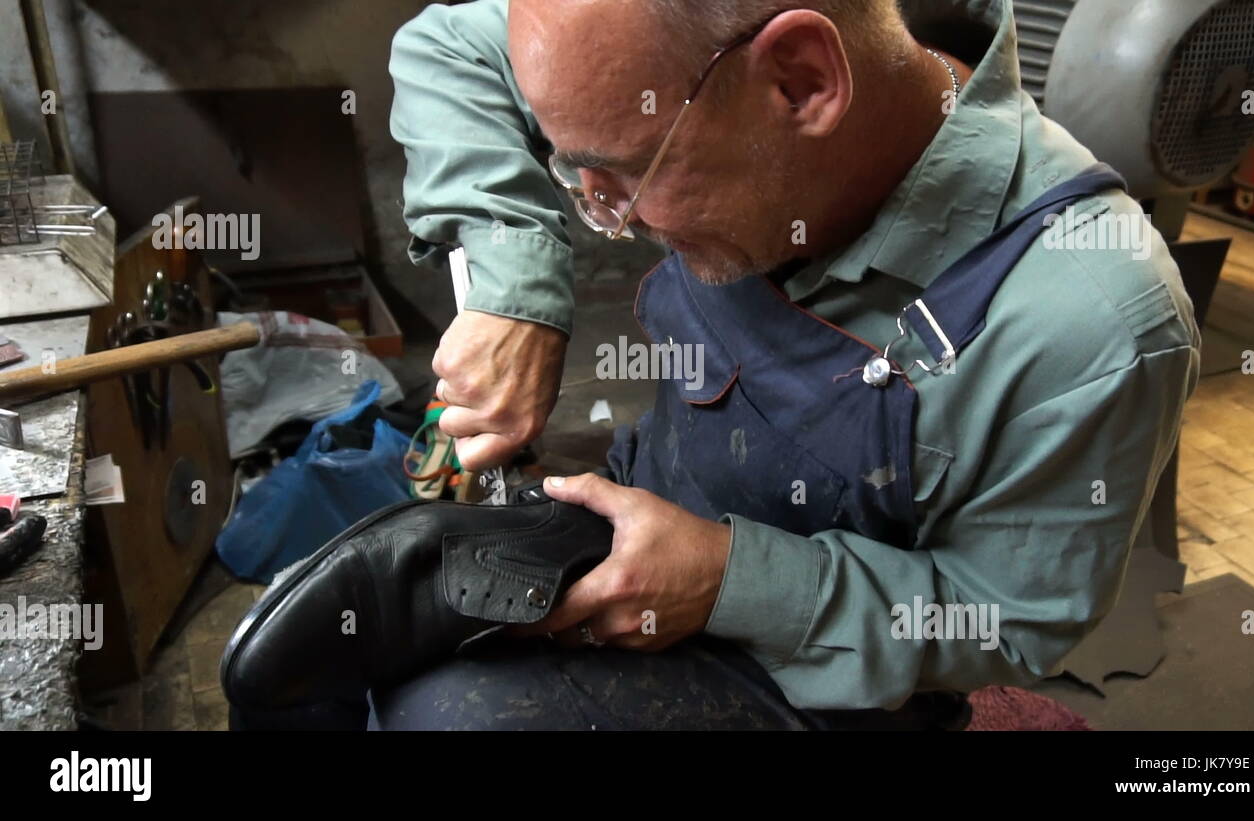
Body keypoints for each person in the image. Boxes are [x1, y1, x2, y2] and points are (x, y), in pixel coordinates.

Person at [372, 0, 1200, 730]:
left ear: (802, 81)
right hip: (641, 507)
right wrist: (514, 281)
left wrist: (733, 582)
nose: (609, 222)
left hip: (825, 681)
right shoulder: (622, 44)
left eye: (629, 172)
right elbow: (446, 46)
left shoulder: (1097, 319)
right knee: (370, 628)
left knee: (446, 715)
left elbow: (1006, 621)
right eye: (578, 170)